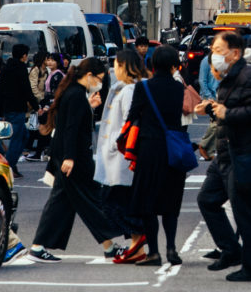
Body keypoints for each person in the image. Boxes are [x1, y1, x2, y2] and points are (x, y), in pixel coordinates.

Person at [29, 58, 127, 262]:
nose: (100, 84)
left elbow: (71, 123)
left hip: (69, 155)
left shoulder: (75, 93)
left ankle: (39, 246)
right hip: (73, 157)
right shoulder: (76, 95)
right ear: (89, 75)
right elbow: (71, 129)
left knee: (66, 201)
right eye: (99, 79)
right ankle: (108, 245)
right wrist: (70, 157)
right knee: (90, 200)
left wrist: (89, 106)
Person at [196, 31, 251, 282]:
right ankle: (231, 250)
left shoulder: (248, 76)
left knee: (244, 211)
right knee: (208, 199)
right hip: (225, 153)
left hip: (242, 153)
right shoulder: (231, 77)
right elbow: (229, 109)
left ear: (235, 53)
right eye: (213, 50)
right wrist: (210, 108)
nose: (214, 56)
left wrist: (225, 113)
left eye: (219, 51)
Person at [123, 45, 190, 266]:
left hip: (149, 150)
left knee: (147, 202)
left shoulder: (144, 88)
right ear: (173, 66)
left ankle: (154, 252)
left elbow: (132, 116)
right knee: (170, 203)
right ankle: (171, 249)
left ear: (152, 65)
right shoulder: (180, 88)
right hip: (173, 150)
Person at [97, 50, 143, 261]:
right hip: (116, 157)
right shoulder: (121, 88)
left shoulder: (129, 90)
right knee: (119, 202)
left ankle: (138, 240)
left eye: (116, 64)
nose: (113, 69)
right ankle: (136, 246)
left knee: (114, 203)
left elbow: (130, 121)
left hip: (121, 157)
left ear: (124, 65)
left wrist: (118, 143)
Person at [0, 44, 37, 176]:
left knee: (24, 135)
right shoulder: (20, 68)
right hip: (17, 108)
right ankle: (8, 166)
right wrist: (35, 105)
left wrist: (1, 111)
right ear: (24, 55)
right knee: (18, 138)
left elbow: (0, 92)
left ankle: (12, 165)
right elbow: (26, 89)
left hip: (7, 108)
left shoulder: (5, 69)